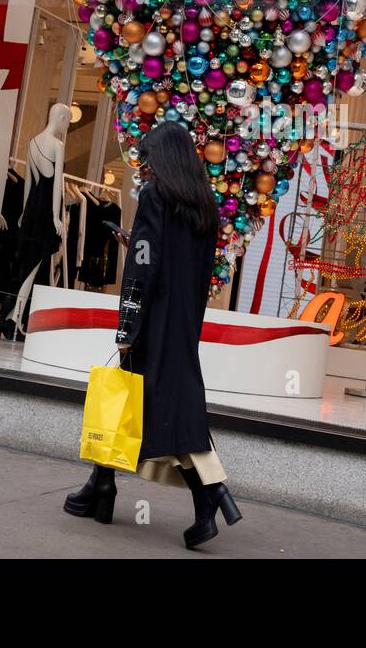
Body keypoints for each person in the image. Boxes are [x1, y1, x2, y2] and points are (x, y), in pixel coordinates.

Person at [64, 120, 242, 549]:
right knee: (152, 403)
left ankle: (207, 493)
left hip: (152, 321)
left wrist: (126, 326)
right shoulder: (204, 204)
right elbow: (194, 271)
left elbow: (142, 268)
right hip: (182, 323)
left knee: (140, 403)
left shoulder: (155, 196)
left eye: (146, 155)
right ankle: (101, 487)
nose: (142, 164)